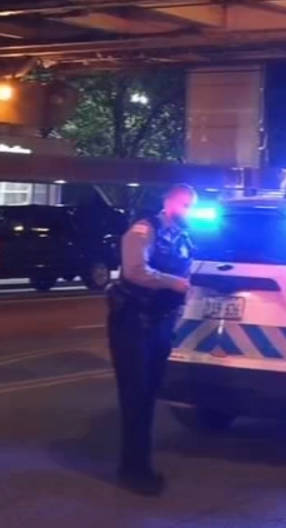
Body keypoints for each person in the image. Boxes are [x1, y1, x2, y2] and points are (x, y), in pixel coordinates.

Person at [107, 184, 197, 495]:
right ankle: (134, 470)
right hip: (133, 321)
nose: (188, 211)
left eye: (191, 206)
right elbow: (134, 271)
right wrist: (175, 285)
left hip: (159, 323)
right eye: (184, 204)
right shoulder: (144, 230)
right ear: (168, 201)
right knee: (136, 395)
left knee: (148, 395)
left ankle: (137, 463)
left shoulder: (182, 236)